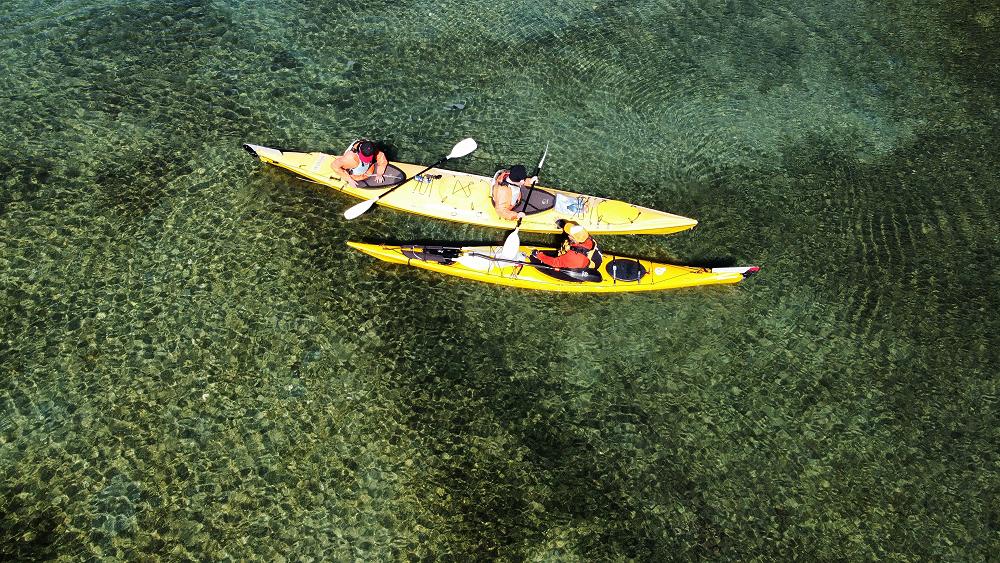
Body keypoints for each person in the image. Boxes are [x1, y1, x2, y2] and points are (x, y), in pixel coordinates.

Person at [530, 220, 602, 270]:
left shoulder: (574, 257)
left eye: (569, 234)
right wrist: (563, 225)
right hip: (579, 257)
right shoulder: (586, 236)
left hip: (578, 267)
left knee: (551, 265)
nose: (568, 234)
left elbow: (555, 263)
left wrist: (539, 255)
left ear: (574, 238)